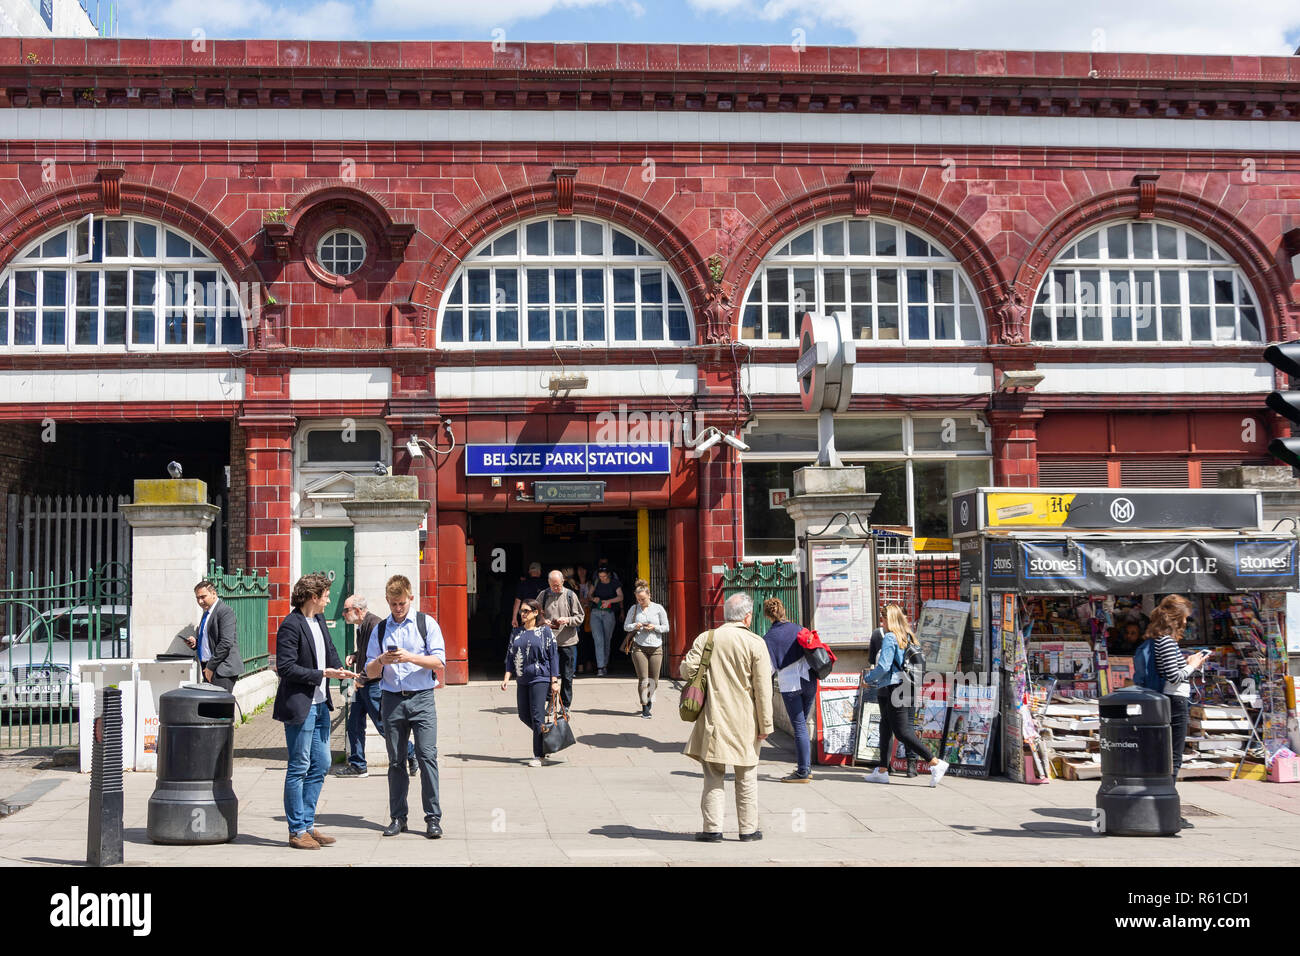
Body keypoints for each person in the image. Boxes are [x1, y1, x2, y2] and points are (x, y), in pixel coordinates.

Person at [272, 572, 359, 850]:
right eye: (326, 595)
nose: (329, 600)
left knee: (321, 763)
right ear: (313, 597)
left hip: (321, 704)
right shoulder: (290, 625)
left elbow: (328, 650)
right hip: (301, 705)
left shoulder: (318, 619)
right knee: (299, 765)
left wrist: (341, 671)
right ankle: (297, 830)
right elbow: (285, 668)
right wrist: (322, 672)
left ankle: (308, 824)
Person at [681, 593, 773, 843]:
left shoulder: (707, 638)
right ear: (747, 616)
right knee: (746, 777)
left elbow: (685, 669)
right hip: (746, 720)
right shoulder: (755, 643)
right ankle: (748, 830)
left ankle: (712, 829)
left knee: (713, 776)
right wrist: (765, 724)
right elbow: (763, 688)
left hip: (714, 718)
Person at [364, 574, 448, 840]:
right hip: (391, 699)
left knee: (427, 757)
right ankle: (398, 817)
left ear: (410, 598)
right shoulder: (380, 628)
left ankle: (433, 818)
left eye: (401, 603)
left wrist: (409, 657)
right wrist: (382, 660)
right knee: (396, 761)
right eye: (393, 604)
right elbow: (368, 670)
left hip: (422, 697)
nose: (397, 609)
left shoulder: (425, 623)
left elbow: (439, 661)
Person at [861, 604, 949, 788]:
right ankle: (882, 770)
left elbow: (884, 666)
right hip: (908, 686)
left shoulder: (890, 638)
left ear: (889, 619)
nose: (881, 622)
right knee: (886, 726)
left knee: (902, 731)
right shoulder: (908, 636)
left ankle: (935, 763)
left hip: (896, 688)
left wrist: (868, 678)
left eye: (883, 619)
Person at [1145, 593, 1208, 830]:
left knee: (1168, 757)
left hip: (1168, 699)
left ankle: (1164, 807)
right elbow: (1173, 676)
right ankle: (1167, 810)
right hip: (1174, 702)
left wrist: (1185, 662)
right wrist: (1192, 665)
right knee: (1173, 758)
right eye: (1185, 618)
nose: (1186, 623)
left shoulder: (1159, 639)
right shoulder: (1166, 641)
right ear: (1177, 617)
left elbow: (1169, 670)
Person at [334, 595, 415, 779]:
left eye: (346, 610)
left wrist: (361, 679)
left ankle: (411, 752)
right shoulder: (361, 627)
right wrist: (355, 655)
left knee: (383, 726)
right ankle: (357, 765)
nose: (343, 614)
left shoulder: (375, 625)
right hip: (362, 684)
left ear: (358, 610)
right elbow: (368, 652)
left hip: (372, 685)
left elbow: (381, 658)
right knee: (354, 724)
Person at [500, 599, 561, 766]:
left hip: (540, 677)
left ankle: (538, 755)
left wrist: (554, 680)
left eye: (526, 611)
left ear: (536, 613)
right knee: (524, 715)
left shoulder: (545, 632)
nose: (522, 614)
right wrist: (507, 677)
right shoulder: (516, 633)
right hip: (522, 678)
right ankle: (546, 736)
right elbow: (510, 656)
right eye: (521, 611)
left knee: (536, 715)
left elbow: (553, 656)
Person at [760, 597, 815, 783]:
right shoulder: (799, 628)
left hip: (790, 684)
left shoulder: (768, 638)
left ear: (768, 616)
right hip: (809, 680)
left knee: (799, 726)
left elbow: (768, 669)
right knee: (803, 725)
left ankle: (802, 771)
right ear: (783, 611)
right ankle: (806, 766)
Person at [538, 570, 584, 708]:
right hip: (547, 641)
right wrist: (543, 620)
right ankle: (550, 702)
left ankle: (565, 705)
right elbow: (535, 613)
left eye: (558, 585)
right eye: (553, 586)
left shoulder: (570, 595)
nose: (556, 588)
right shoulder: (544, 594)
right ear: (549, 583)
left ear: (563, 581)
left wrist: (568, 620)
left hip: (567, 641)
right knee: (548, 675)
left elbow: (580, 617)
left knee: (567, 675)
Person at [186, 580, 243, 692]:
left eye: (203, 597)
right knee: (211, 707)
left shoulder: (225, 611)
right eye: (197, 598)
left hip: (222, 669)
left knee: (219, 708)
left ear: (214, 594)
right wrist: (196, 643)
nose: (200, 601)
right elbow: (210, 639)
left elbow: (226, 642)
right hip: (209, 667)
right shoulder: (207, 612)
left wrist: (210, 667)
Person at [624, 580, 668, 718]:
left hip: (656, 647)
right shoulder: (634, 609)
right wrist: (635, 626)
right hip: (639, 646)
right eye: (638, 599)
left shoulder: (658, 608)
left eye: (643, 599)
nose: (641, 601)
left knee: (654, 679)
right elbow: (626, 626)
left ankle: (649, 699)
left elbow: (666, 627)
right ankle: (644, 706)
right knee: (643, 679)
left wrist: (654, 627)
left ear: (649, 595)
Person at [588, 567, 623, 676]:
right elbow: (589, 595)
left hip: (608, 613)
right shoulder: (596, 581)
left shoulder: (614, 583)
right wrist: (594, 599)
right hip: (595, 613)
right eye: (600, 576)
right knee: (598, 640)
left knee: (607, 640)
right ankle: (600, 667)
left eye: (604, 576)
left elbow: (621, 597)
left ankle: (605, 665)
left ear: (609, 575)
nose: (602, 578)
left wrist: (609, 601)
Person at [512, 562, 546, 628]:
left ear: (529, 572)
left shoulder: (522, 584)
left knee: (526, 636)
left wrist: (514, 618)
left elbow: (517, 601)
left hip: (526, 616)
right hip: (542, 616)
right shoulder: (546, 584)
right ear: (539, 572)